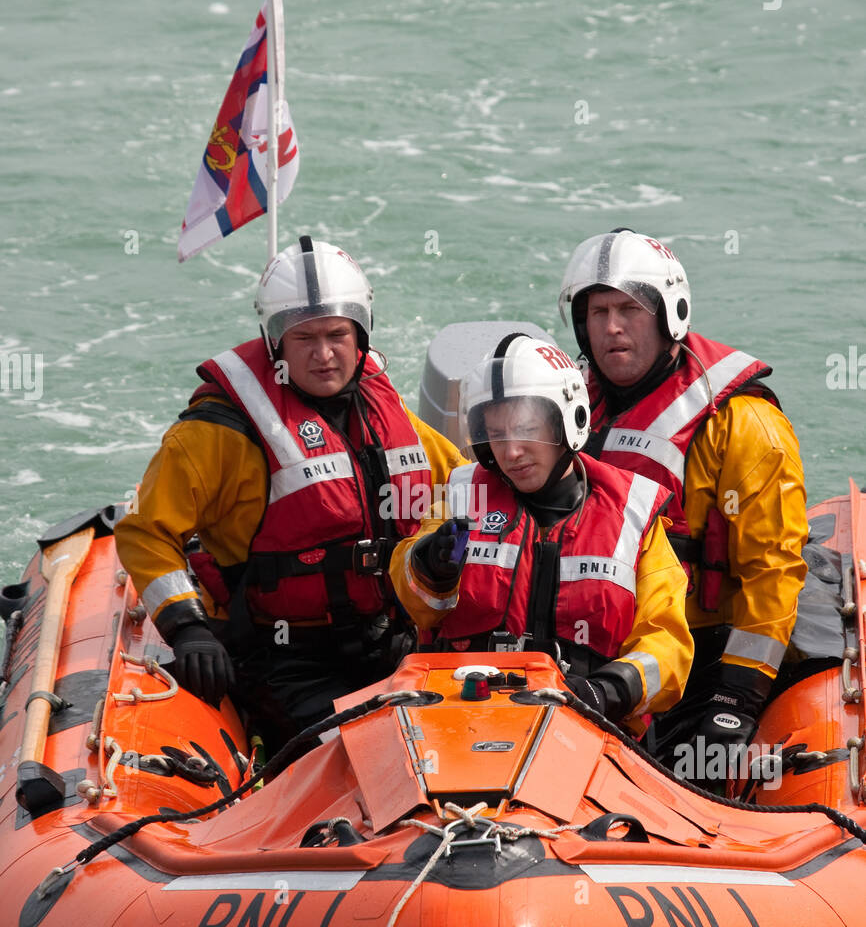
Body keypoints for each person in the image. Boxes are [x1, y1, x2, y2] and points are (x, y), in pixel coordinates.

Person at [115, 236, 464, 749]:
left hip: (392, 642)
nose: (324, 354)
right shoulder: (217, 432)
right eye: (304, 339)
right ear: (275, 340)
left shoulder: (381, 408)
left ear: (362, 332)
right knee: (360, 757)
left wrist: (438, 548)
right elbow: (146, 531)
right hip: (285, 659)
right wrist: (186, 626)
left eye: (337, 335)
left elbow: (456, 484)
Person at [558, 228, 808, 773]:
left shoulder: (744, 425)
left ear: (670, 314)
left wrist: (734, 699)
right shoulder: (571, 407)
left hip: (700, 658)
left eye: (629, 308)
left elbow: (772, 573)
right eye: (597, 312)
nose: (612, 328)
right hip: (595, 647)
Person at [389, 333, 693, 732]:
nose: (511, 452)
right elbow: (418, 605)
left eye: (526, 430)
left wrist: (606, 692)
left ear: (570, 421)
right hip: (460, 721)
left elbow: (666, 643)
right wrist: (431, 568)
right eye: (496, 435)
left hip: (592, 724)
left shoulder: (634, 512)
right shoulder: (461, 498)